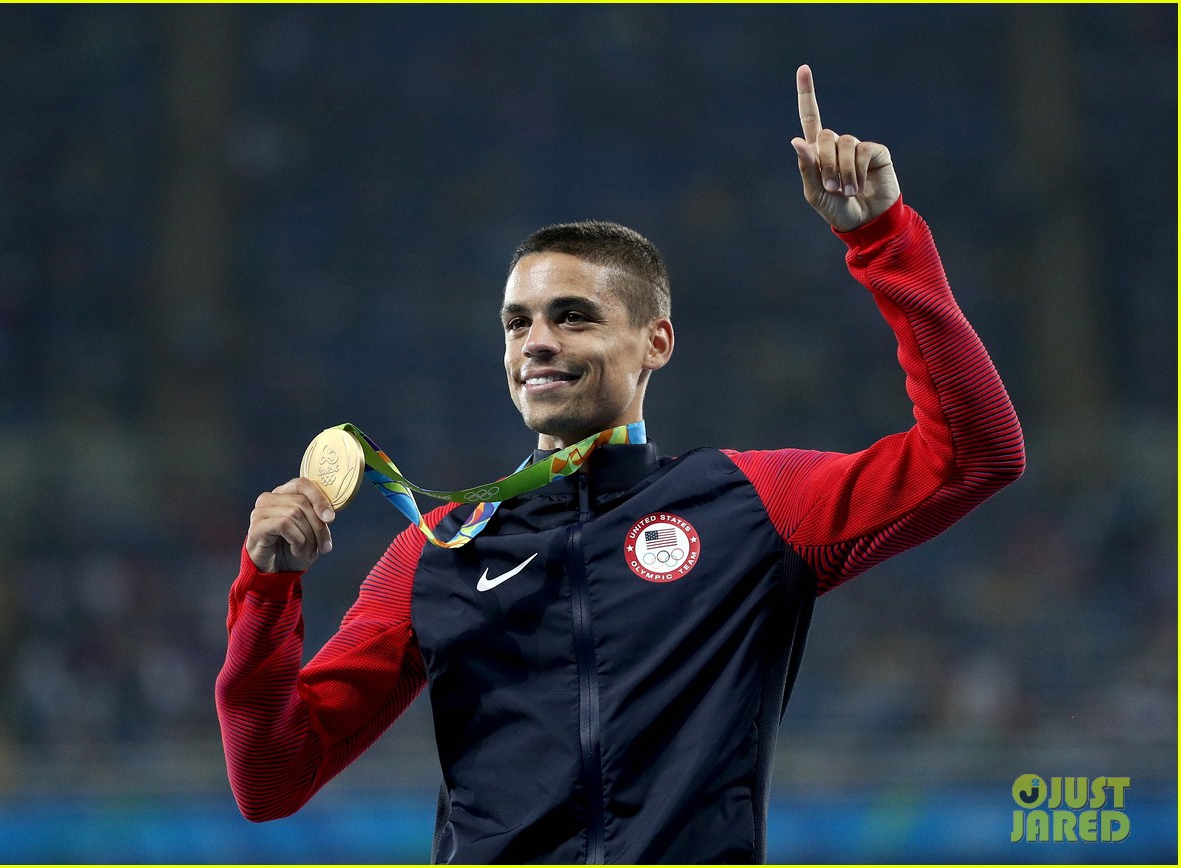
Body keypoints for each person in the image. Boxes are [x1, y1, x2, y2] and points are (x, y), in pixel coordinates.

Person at [216, 65, 1025, 864]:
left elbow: (975, 455)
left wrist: (882, 238)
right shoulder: (436, 554)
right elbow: (271, 780)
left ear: (655, 343)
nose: (536, 342)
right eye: (517, 322)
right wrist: (266, 589)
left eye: (573, 318)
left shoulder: (751, 505)